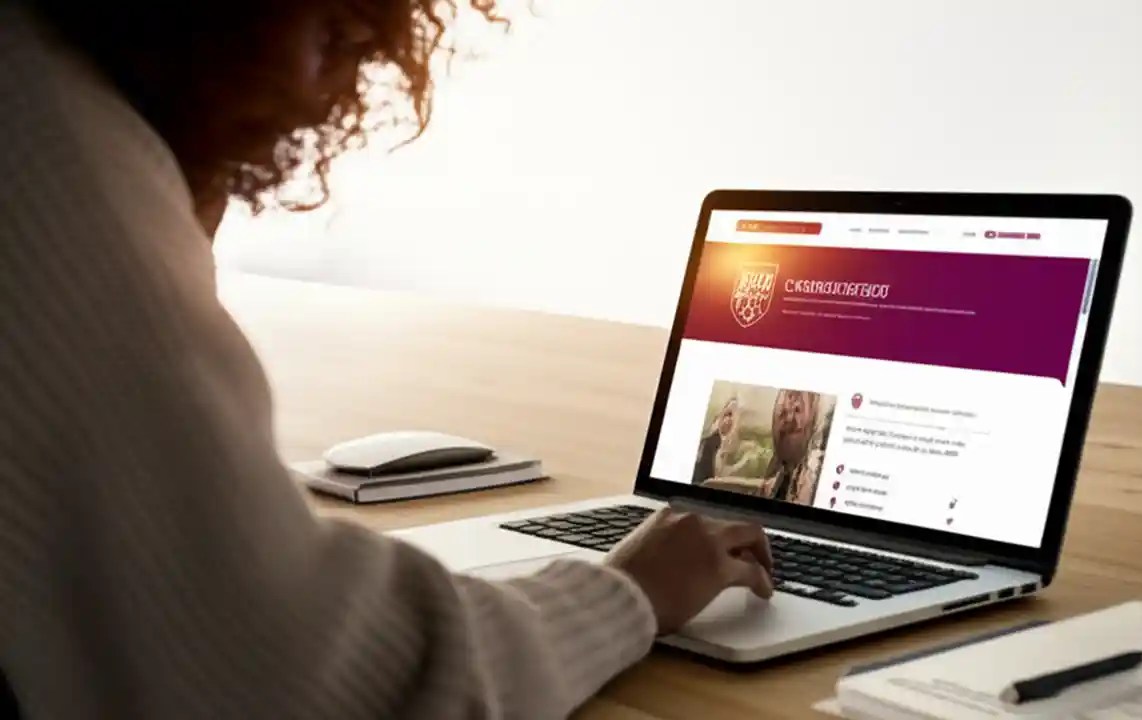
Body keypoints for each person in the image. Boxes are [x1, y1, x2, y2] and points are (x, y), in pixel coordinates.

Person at [0, 2, 774, 718]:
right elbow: (322, 680)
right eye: (333, 34)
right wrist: (627, 592)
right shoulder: (55, 165)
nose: (321, 94)